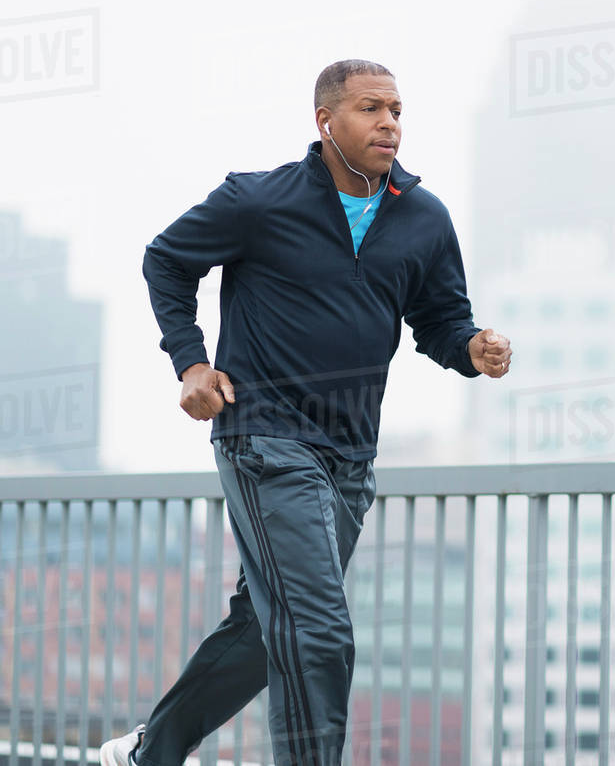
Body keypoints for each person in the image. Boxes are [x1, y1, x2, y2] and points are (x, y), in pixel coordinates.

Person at [100, 59, 512, 766]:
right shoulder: (258, 201)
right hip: (264, 438)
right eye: (370, 109)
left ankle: (152, 751)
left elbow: (440, 319)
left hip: (350, 457)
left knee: (268, 628)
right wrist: (191, 362)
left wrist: (473, 346)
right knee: (318, 629)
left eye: (397, 109)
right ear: (327, 122)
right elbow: (166, 259)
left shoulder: (424, 218)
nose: (390, 123)